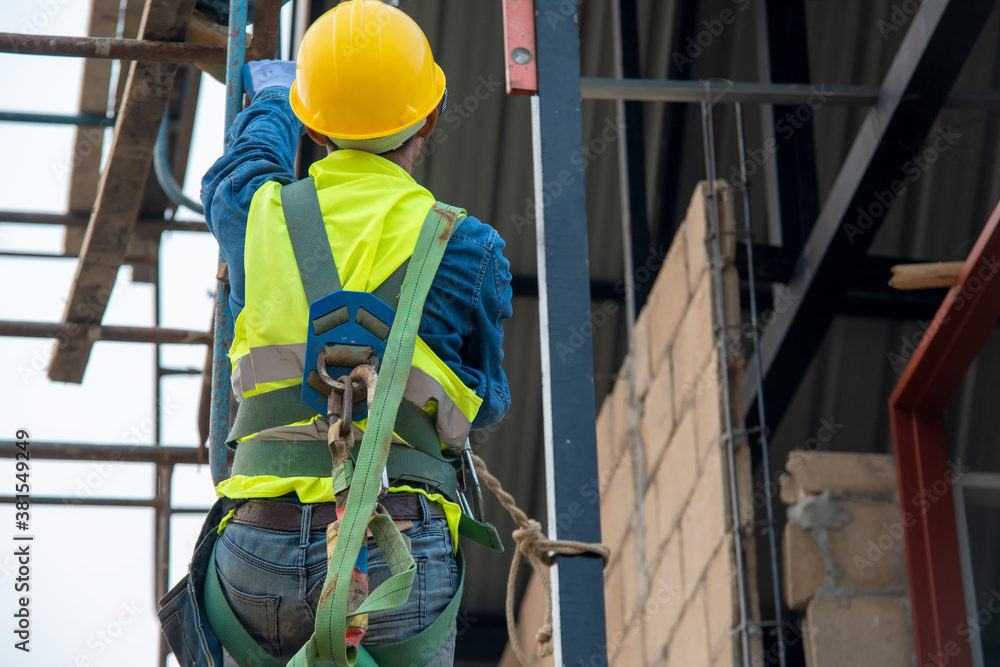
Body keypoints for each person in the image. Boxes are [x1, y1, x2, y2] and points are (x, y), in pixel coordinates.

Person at [158, 2, 512, 665]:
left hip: (255, 547)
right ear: (429, 118)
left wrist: (274, 103)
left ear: (312, 124)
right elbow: (486, 400)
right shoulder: (467, 247)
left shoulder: (257, 216)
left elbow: (240, 171)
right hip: (398, 546)